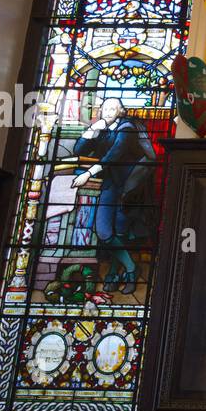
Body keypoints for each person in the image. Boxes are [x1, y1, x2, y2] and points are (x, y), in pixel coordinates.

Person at [71, 97, 157, 295]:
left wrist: (88, 174)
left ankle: (113, 272)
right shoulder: (103, 130)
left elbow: (114, 155)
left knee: (120, 232)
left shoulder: (127, 128)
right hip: (111, 185)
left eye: (113, 108)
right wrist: (93, 129)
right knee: (103, 232)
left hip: (130, 187)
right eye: (105, 108)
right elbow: (79, 150)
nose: (108, 112)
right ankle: (131, 268)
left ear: (121, 111)